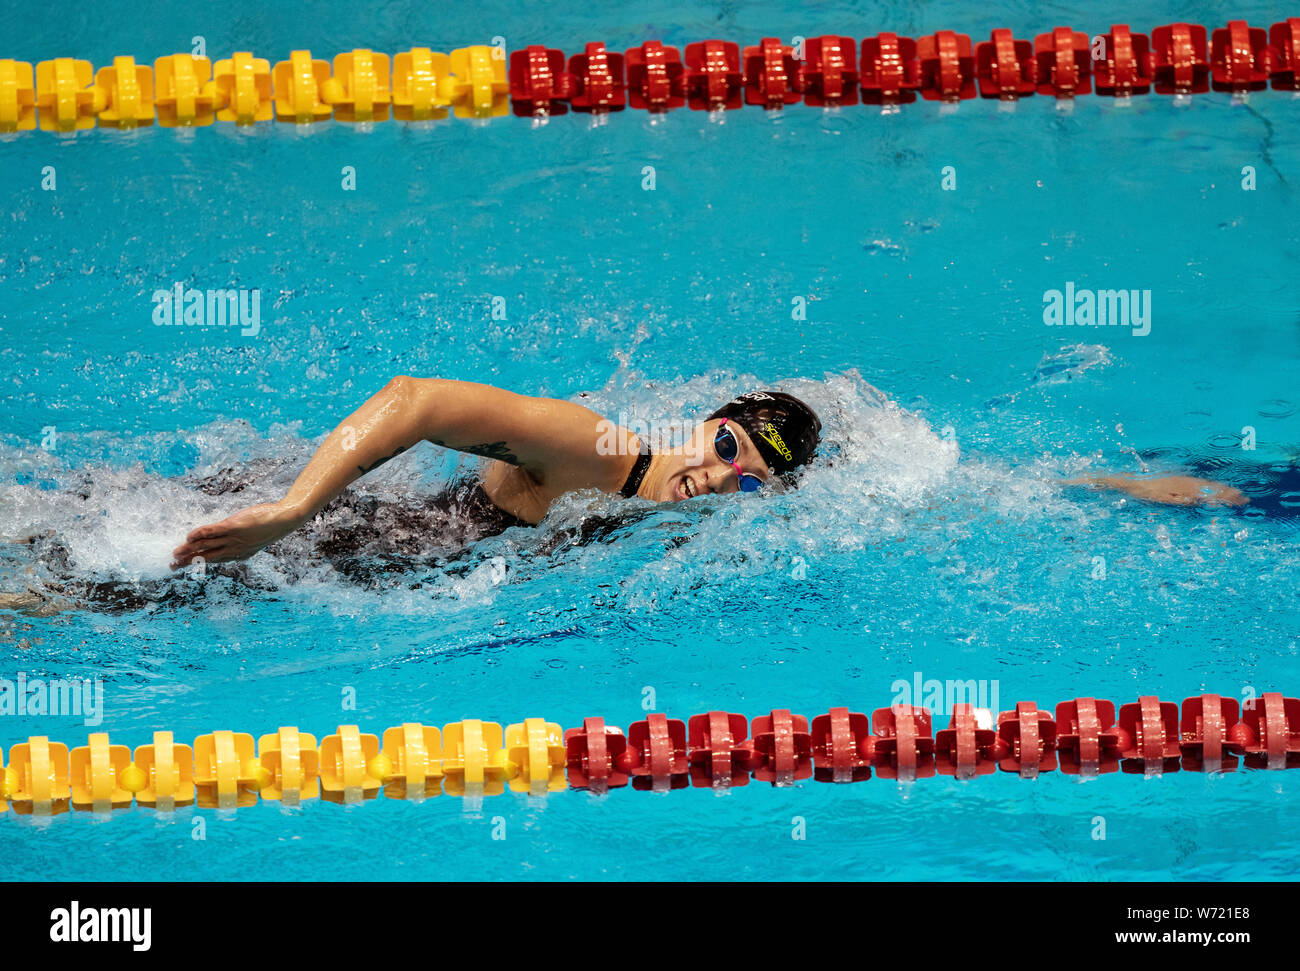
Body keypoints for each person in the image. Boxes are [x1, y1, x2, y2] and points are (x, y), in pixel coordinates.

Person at [168, 376, 1246, 572]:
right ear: (706, 421)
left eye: (754, 480)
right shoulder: (604, 449)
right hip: (341, 538)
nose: (724, 477)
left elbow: (942, 486)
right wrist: (296, 508)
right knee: (101, 567)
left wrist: (1120, 487)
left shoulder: (731, 510)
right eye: (726, 446)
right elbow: (417, 399)